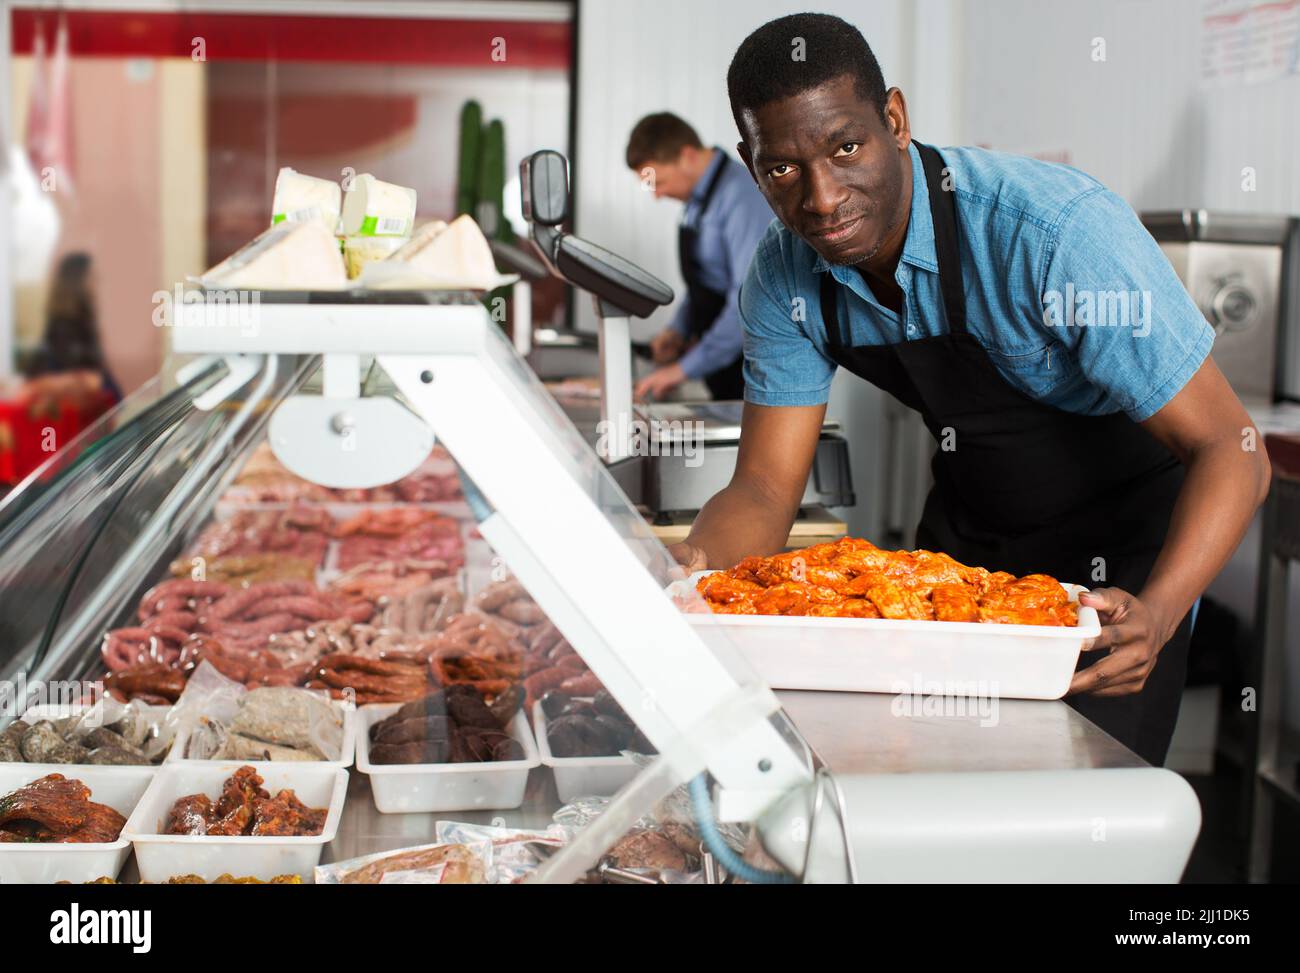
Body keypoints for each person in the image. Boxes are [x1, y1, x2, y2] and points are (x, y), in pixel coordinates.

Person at [670, 13, 1271, 765]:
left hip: (1125, 564)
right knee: (929, 774)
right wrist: (690, 588)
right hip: (972, 550)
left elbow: (1235, 449)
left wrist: (1158, 611)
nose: (821, 199)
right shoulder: (783, 275)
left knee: (1080, 800)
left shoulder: (1053, 234)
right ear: (750, 164)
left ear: (894, 118)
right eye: (783, 169)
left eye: (846, 146)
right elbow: (762, 486)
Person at [625, 112, 773, 401]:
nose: (656, 195)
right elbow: (704, 285)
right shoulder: (696, 202)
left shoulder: (742, 197)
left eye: (659, 182)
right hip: (722, 366)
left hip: (756, 369)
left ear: (688, 156)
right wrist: (678, 330)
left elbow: (750, 301)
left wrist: (682, 369)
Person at [23, 252, 122, 414]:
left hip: (95, 413)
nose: (96, 281)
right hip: (78, 420)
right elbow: (85, 379)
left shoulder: (81, 322)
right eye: (92, 276)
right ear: (78, 281)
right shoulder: (65, 327)